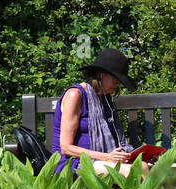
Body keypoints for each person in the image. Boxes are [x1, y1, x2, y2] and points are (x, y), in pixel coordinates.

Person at [52, 48, 141, 176]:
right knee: (133, 171)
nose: (117, 85)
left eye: (119, 82)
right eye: (115, 80)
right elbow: (66, 147)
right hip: (73, 163)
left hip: (102, 161)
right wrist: (106, 157)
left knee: (143, 166)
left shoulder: (105, 99)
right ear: (101, 74)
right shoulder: (75, 95)